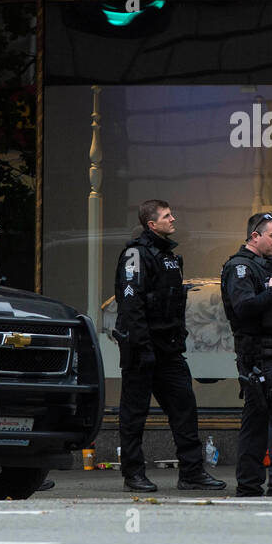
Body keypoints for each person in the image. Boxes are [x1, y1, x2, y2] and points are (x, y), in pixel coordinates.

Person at [113, 199, 224, 492]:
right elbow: (131, 304)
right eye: (166, 216)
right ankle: (133, 475)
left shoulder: (167, 255)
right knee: (134, 414)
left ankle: (192, 473)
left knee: (184, 408)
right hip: (142, 348)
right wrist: (142, 346)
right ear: (152, 224)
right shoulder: (136, 254)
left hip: (169, 348)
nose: (173, 219)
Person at [221, 211, 272, 497]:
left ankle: (249, 485)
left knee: (257, 419)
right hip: (261, 358)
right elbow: (244, 308)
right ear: (254, 236)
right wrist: (270, 293)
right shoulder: (240, 268)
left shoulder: (270, 265)